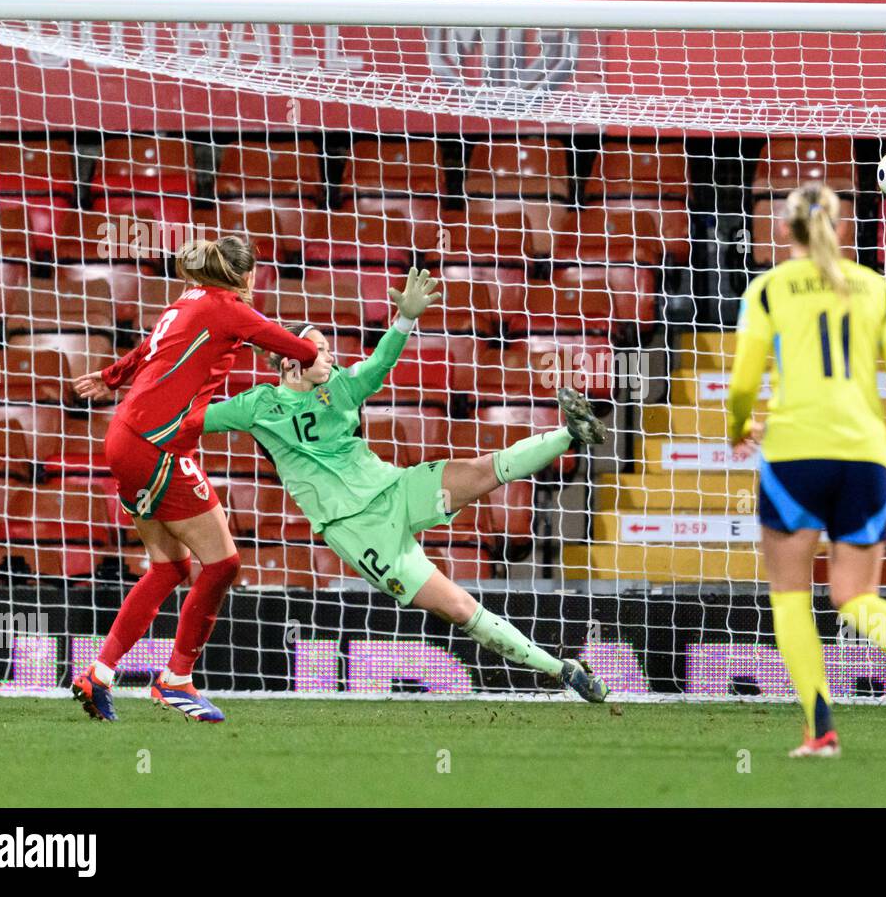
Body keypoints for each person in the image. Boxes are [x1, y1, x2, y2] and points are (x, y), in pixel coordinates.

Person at [201, 268, 611, 702]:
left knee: (480, 470)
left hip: (393, 488)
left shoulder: (339, 388)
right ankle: (563, 671)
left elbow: (379, 365)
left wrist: (405, 319)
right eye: (319, 351)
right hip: (356, 532)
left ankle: (570, 433)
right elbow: (196, 422)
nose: (330, 358)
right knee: (457, 607)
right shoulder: (257, 406)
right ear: (289, 358)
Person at [728, 181, 886, 759]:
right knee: (856, 596)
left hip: (794, 453)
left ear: (784, 230)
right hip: (861, 454)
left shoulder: (769, 288)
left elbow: (742, 382)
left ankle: (821, 730)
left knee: (790, 595)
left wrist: (738, 429)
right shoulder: (876, 289)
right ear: (841, 227)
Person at [69, 237, 321, 724]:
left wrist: (112, 376)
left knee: (168, 568)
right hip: (159, 444)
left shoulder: (185, 302)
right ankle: (176, 679)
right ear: (245, 277)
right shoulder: (229, 309)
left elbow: (148, 348)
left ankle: (99, 674)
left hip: (125, 436)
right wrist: (317, 350)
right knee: (223, 563)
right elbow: (299, 350)